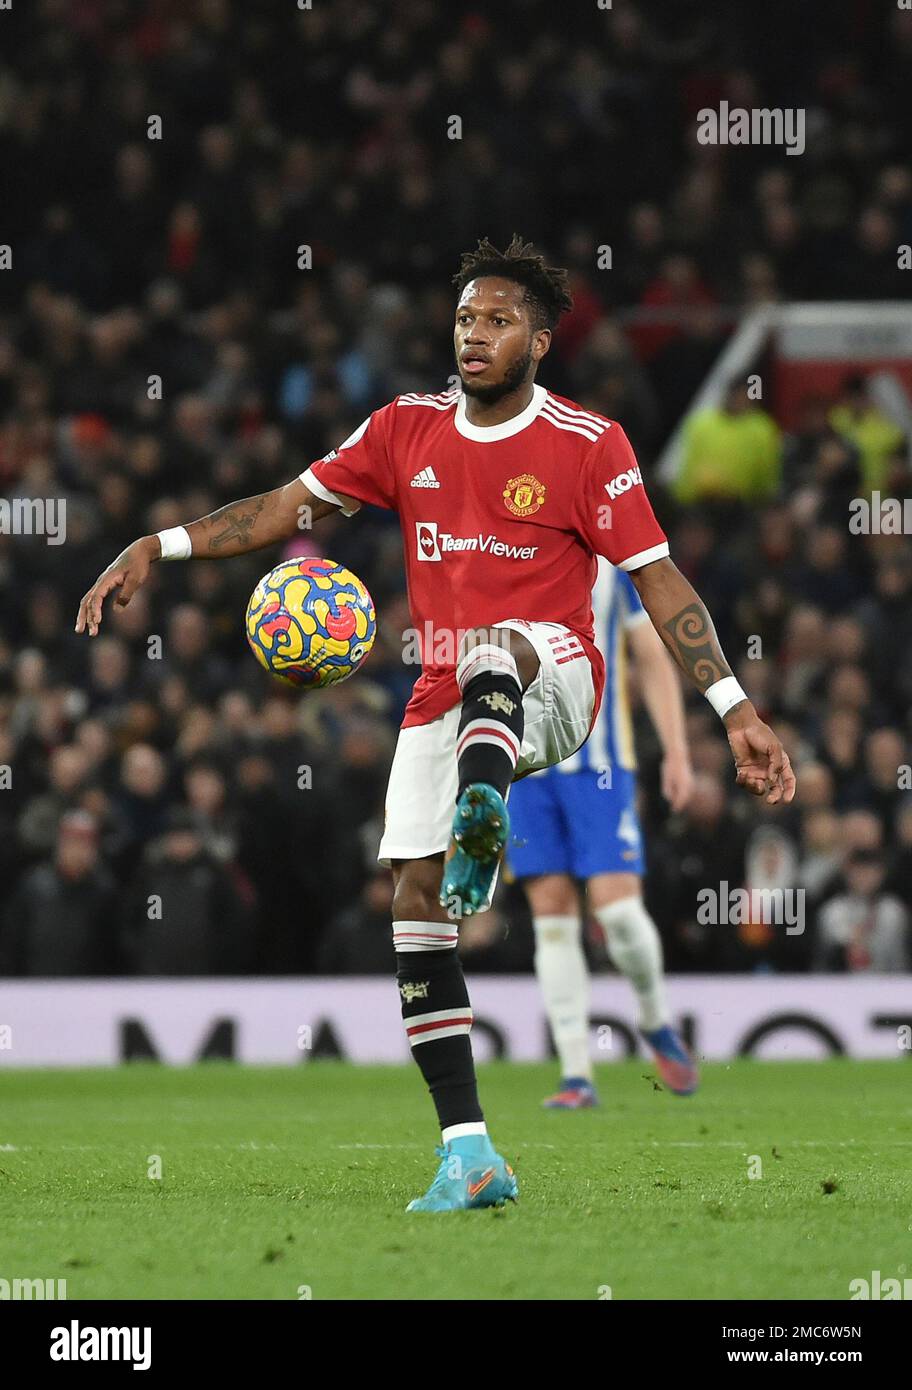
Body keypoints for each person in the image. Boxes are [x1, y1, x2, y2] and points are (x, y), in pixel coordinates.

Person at [76, 235, 796, 1213]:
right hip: (443, 695)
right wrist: (156, 545)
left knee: (497, 648)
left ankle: (485, 805)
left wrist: (736, 710)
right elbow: (285, 506)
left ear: (540, 341)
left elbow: (659, 580)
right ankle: (470, 1151)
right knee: (415, 907)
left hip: (558, 677)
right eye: (465, 318)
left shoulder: (589, 444)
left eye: (498, 320)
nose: (474, 334)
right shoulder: (403, 431)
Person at [508, 558, 696, 1107]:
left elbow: (649, 654)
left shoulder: (611, 564)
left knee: (616, 912)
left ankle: (656, 1020)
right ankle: (576, 1075)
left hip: (600, 764)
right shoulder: (492, 551)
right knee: (553, 920)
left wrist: (676, 750)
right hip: (524, 766)